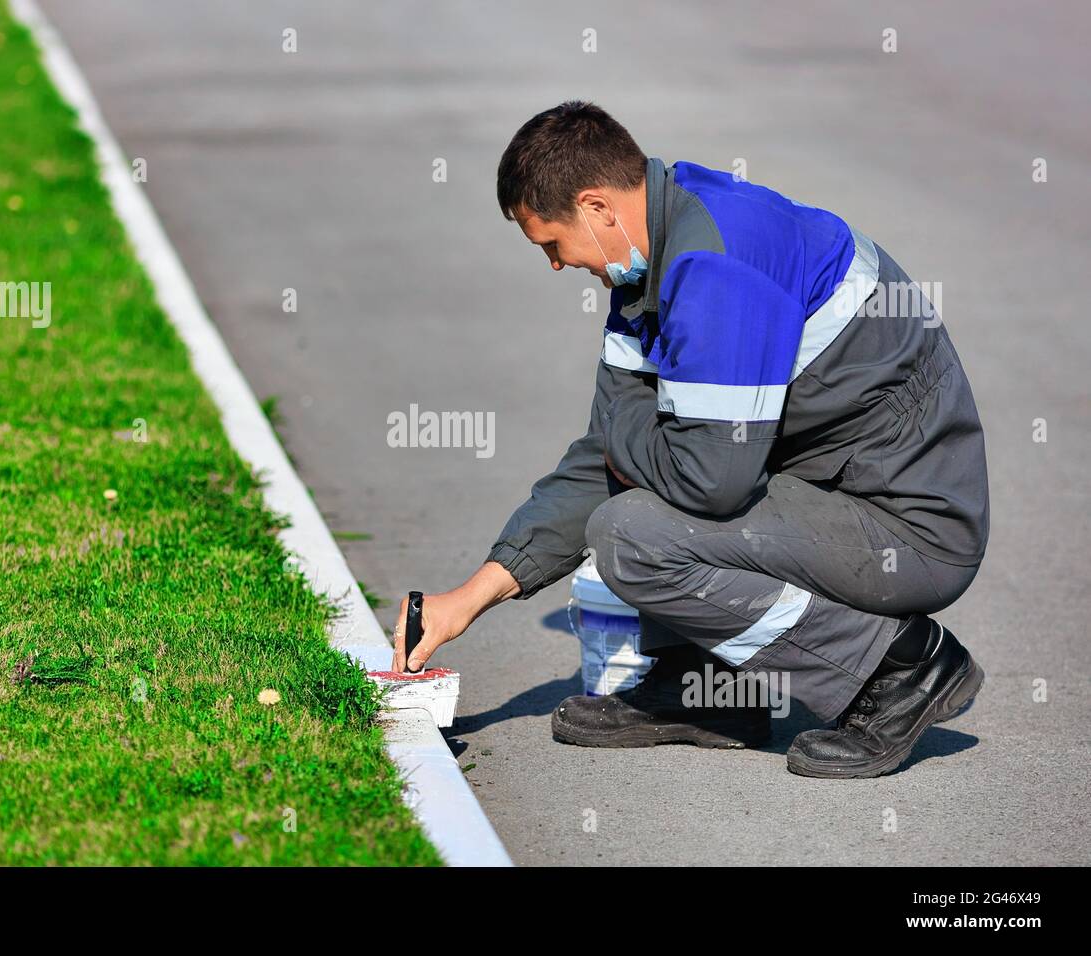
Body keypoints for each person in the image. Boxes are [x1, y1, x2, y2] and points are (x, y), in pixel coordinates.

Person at [392, 101, 989, 778]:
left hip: (909, 532)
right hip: (832, 498)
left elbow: (711, 479)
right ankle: (707, 691)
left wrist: (628, 428)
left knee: (633, 534)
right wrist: (469, 597)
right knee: (644, 486)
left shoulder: (715, 271)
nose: (556, 266)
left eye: (552, 244)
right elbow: (608, 455)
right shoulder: (653, 257)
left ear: (596, 207)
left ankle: (899, 666)